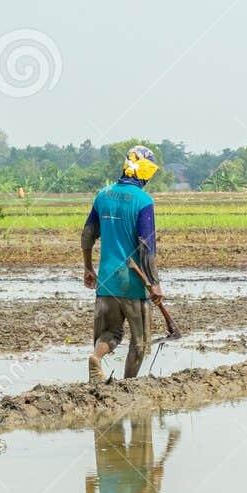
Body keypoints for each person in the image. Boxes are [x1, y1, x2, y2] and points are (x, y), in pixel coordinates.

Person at [81, 145, 163, 381]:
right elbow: (146, 248)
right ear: (144, 171)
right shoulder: (143, 201)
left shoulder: (103, 195)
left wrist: (88, 268)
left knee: (110, 333)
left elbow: (87, 234)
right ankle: (129, 385)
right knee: (140, 342)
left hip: (106, 281)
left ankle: (96, 358)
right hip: (133, 283)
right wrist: (154, 283)